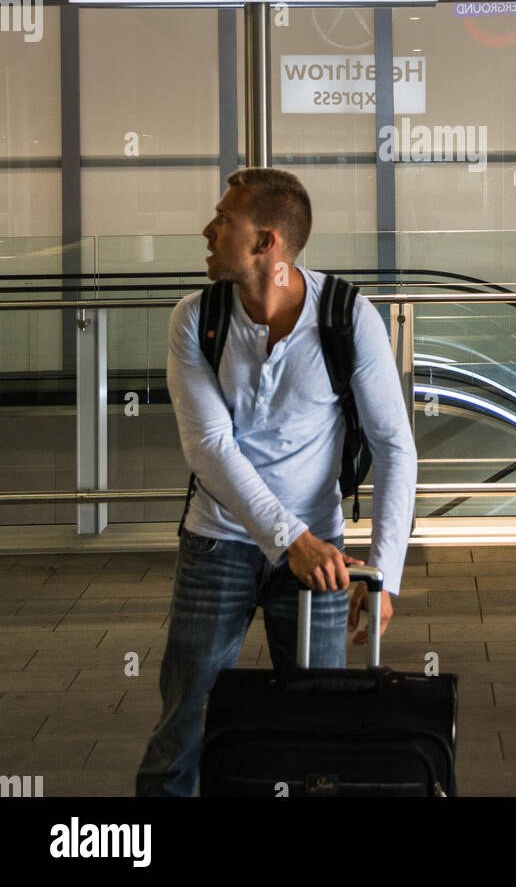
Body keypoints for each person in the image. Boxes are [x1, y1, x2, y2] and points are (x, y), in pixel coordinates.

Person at [135, 166, 418, 797]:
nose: (208, 230)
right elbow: (209, 446)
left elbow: (396, 447)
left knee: (321, 731)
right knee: (182, 727)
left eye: (224, 220)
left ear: (267, 242)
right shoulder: (196, 319)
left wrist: (386, 571)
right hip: (219, 544)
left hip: (318, 555)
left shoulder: (348, 318)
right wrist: (290, 541)